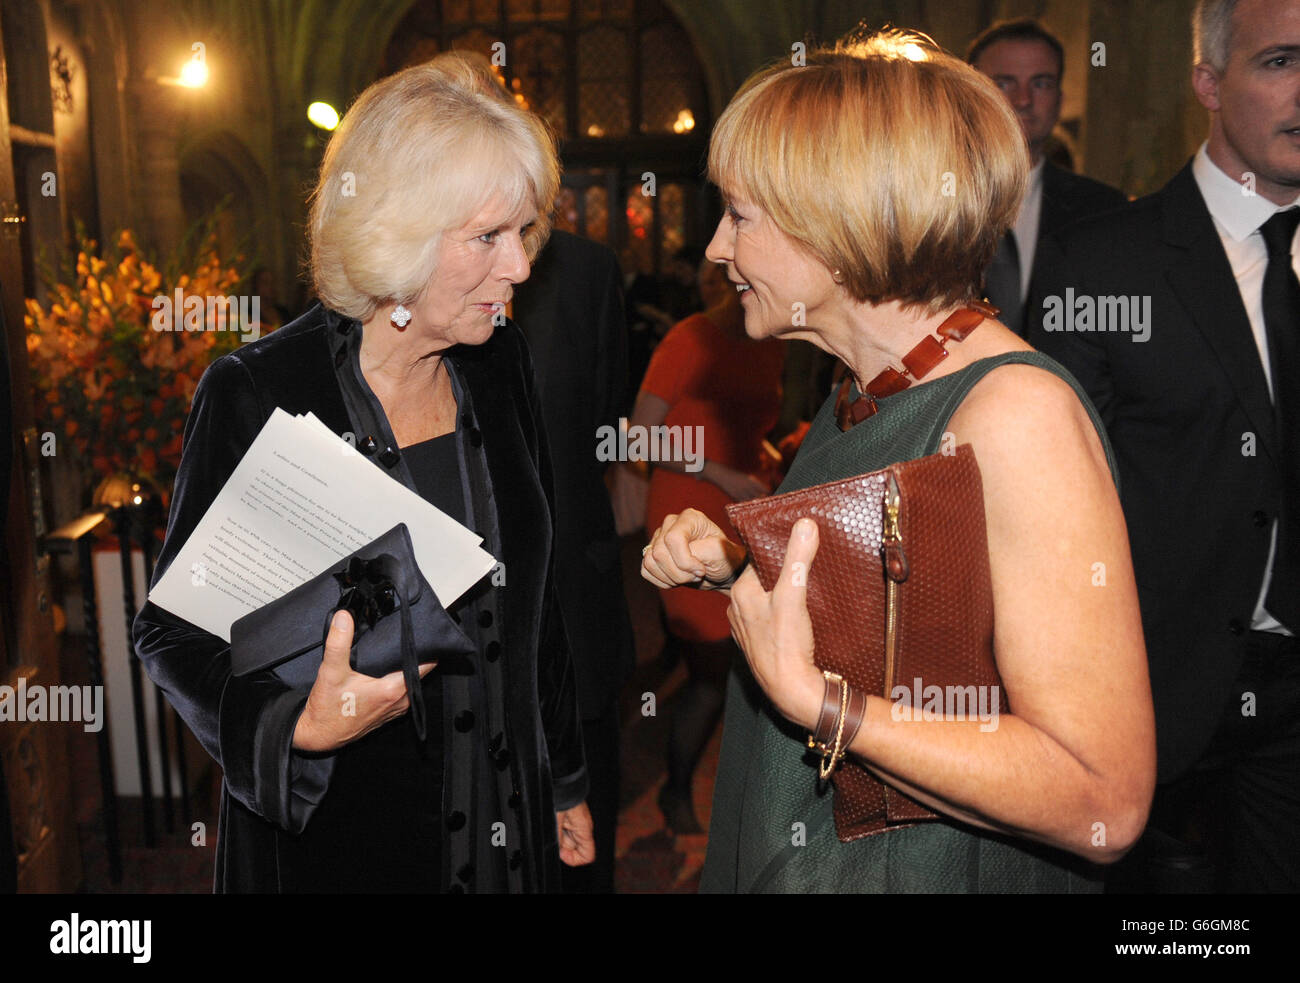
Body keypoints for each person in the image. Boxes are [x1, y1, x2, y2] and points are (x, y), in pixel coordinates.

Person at [641, 29, 1155, 892]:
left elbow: (1101, 796)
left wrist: (823, 705)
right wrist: (743, 570)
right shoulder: (863, 390)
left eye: (740, 215)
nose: (715, 252)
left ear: (836, 221)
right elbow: (914, 628)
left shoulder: (1014, 415)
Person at [132, 51, 592, 893]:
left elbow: (536, 593)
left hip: (507, 826)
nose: (520, 267)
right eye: (488, 238)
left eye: (523, 233)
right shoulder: (263, 390)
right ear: (399, 238)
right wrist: (294, 726)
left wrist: (562, 777)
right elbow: (172, 635)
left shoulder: (496, 364)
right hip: (341, 849)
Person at [1028, 0, 1300, 892]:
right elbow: (1046, 511)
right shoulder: (1105, 264)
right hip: (1152, 703)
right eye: (1280, 63)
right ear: (1208, 84)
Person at [630, 255, 785, 834]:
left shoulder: (770, 337)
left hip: (747, 510)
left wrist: (762, 454)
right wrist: (719, 471)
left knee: (746, 648)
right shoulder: (688, 339)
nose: (715, 283)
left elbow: (748, 422)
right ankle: (675, 792)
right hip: (686, 508)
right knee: (714, 670)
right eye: (712, 276)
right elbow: (636, 437)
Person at [512, 228, 637, 893]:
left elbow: (605, 419)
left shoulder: (586, 268)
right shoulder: (404, 268)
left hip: (573, 602)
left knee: (583, 850)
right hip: (451, 628)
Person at [966, 19, 1127, 334]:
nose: (1023, 100)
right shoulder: (929, 199)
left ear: (1060, 100)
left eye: (1041, 83)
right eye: (1004, 83)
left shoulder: (1105, 209)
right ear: (972, 96)